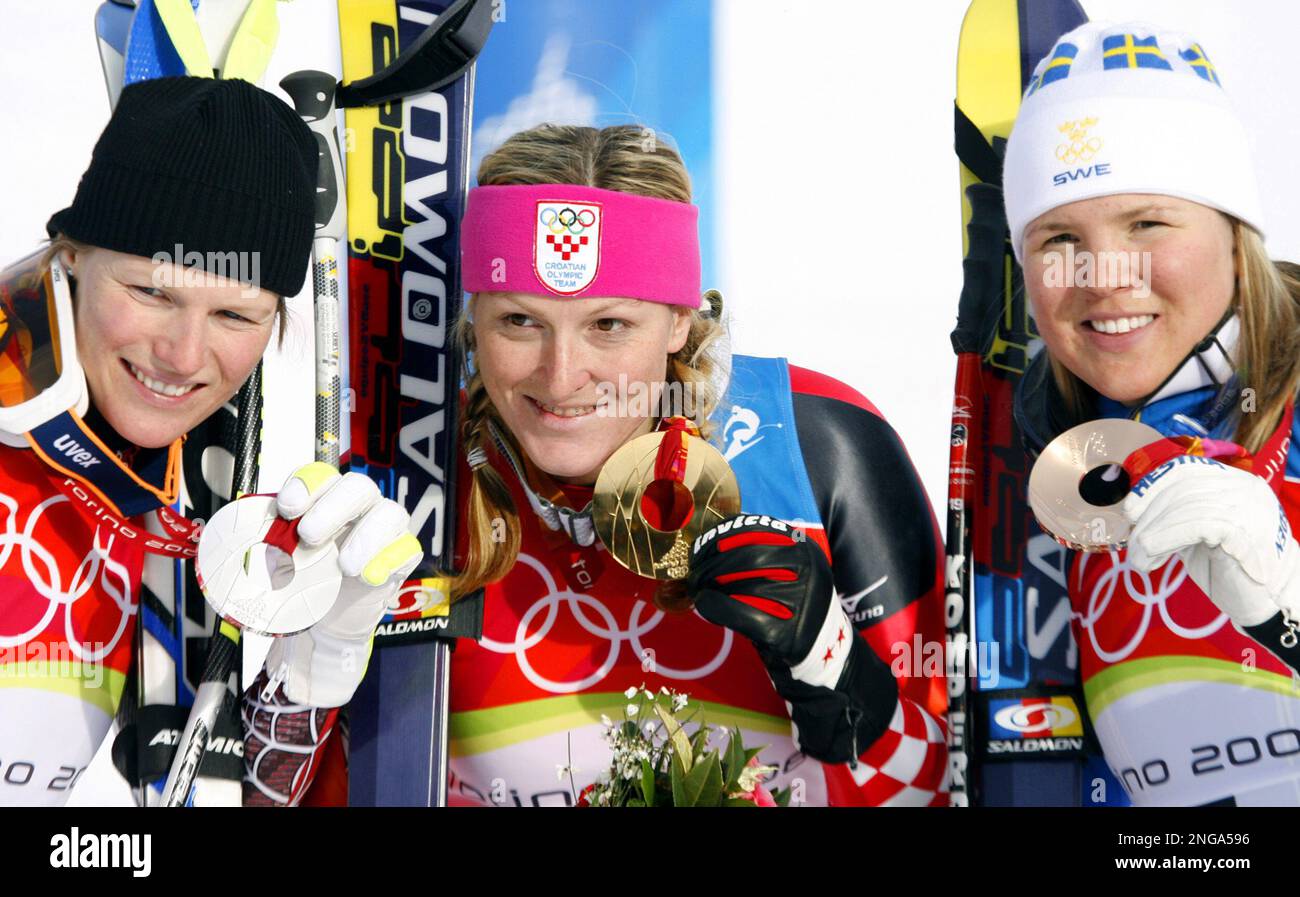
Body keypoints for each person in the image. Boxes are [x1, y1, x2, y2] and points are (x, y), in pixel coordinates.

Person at [280, 123, 950, 807]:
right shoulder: (409, 480)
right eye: (519, 321)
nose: (562, 375)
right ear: (473, 316)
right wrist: (302, 675)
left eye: (608, 325)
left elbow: (940, 790)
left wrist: (834, 670)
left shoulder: (812, 442)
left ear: (680, 320)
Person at [0, 75, 420, 807]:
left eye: (234, 315)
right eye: (152, 292)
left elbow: (209, 798)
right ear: (69, 254)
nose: (183, 354)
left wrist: (316, 663)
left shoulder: (155, 487)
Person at [1006, 21, 1300, 806]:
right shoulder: (1032, 459)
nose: (1104, 277)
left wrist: (1291, 611)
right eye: (1060, 237)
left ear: (1236, 238)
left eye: (1147, 224)